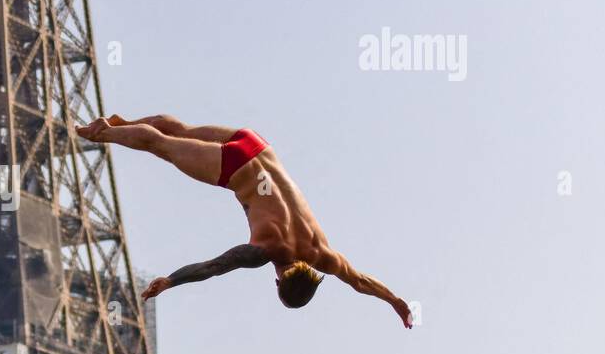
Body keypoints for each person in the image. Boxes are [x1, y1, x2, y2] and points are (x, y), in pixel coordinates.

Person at [76, 115, 412, 328]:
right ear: (279, 283)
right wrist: (170, 281)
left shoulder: (322, 254)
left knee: (179, 129)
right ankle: (104, 132)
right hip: (235, 166)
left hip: (258, 146)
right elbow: (216, 265)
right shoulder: (267, 249)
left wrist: (395, 301)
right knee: (159, 145)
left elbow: (360, 281)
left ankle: (123, 123)